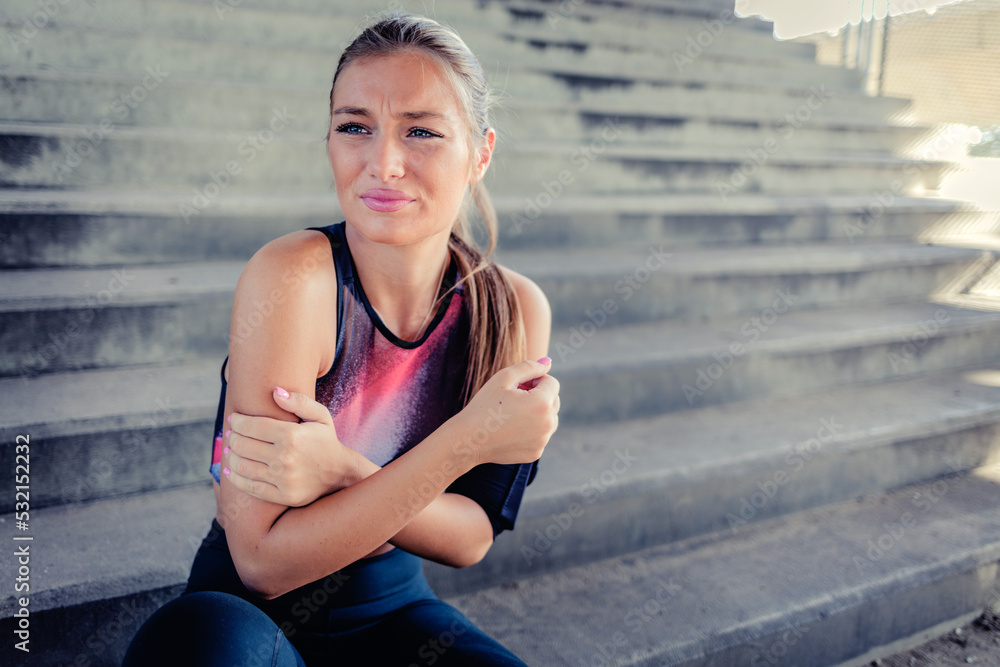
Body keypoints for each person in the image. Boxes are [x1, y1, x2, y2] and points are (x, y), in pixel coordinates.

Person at [122, 12, 560, 667]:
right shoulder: (295, 275)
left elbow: (470, 537)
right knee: (198, 640)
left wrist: (346, 469)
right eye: (355, 127)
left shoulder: (514, 308)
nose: (383, 163)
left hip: (395, 612)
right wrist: (472, 436)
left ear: (481, 153)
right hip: (247, 624)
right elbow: (266, 560)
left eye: (421, 131)